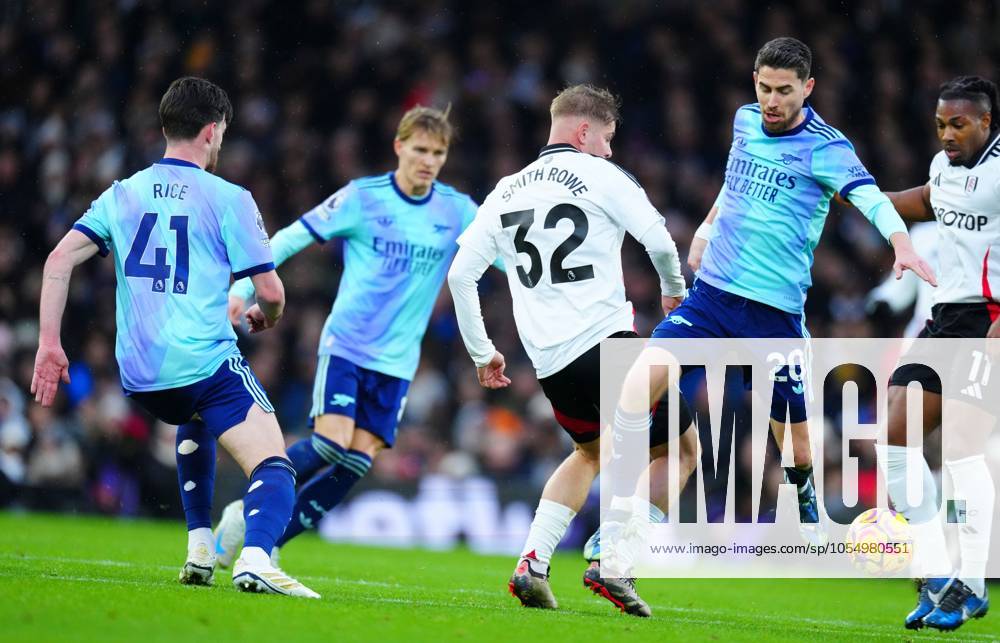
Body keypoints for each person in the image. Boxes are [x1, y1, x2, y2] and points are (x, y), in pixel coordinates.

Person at [30, 77, 317, 598]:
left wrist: (50, 344)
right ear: (212, 131)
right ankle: (255, 557)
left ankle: (200, 546)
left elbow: (57, 259)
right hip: (202, 363)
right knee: (275, 464)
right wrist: (267, 317)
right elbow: (271, 291)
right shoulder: (229, 197)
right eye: (222, 132)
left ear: (166, 126)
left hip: (141, 378)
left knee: (196, 415)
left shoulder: (121, 193)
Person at [670, 36, 936, 548]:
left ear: (807, 88)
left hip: (776, 311)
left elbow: (873, 200)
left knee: (791, 433)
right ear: (755, 82)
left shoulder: (827, 147)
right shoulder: (744, 120)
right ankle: (632, 517)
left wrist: (900, 244)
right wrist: (704, 229)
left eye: (785, 91)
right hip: (716, 294)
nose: (773, 100)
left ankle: (803, 485)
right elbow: (734, 183)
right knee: (648, 378)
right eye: (766, 88)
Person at [448, 84, 699, 617]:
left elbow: (460, 274)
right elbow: (658, 240)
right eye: (607, 138)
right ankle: (616, 555)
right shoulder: (603, 174)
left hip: (550, 363)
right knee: (680, 447)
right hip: (607, 340)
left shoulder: (506, 190)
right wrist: (673, 290)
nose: (610, 150)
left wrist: (481, 352)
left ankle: (532, 564)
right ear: (585, 132)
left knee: (590, 452)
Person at [213, 105, 486, 567]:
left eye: (438, 153)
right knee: (329, 443)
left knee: (357, 462)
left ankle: (272, 544)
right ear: (399, 147)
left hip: (398, 362)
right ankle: (245, 511)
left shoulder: (458, 211)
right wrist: (242, 289)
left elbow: (510, 258)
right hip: (348, 346)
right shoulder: (363, 197)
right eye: (420, 149)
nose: (428, 161)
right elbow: (289, 238)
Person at [874, 75, 998, 631]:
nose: (947, 134)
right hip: (944, 319)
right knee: (895, 433)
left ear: (986, 123)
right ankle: (932, 570)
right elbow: (927, 201)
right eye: (941, 125)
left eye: (959, 124)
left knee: (963, 450)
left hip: (990, 320)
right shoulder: (943, 167)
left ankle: (971, 582)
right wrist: (865, 201)